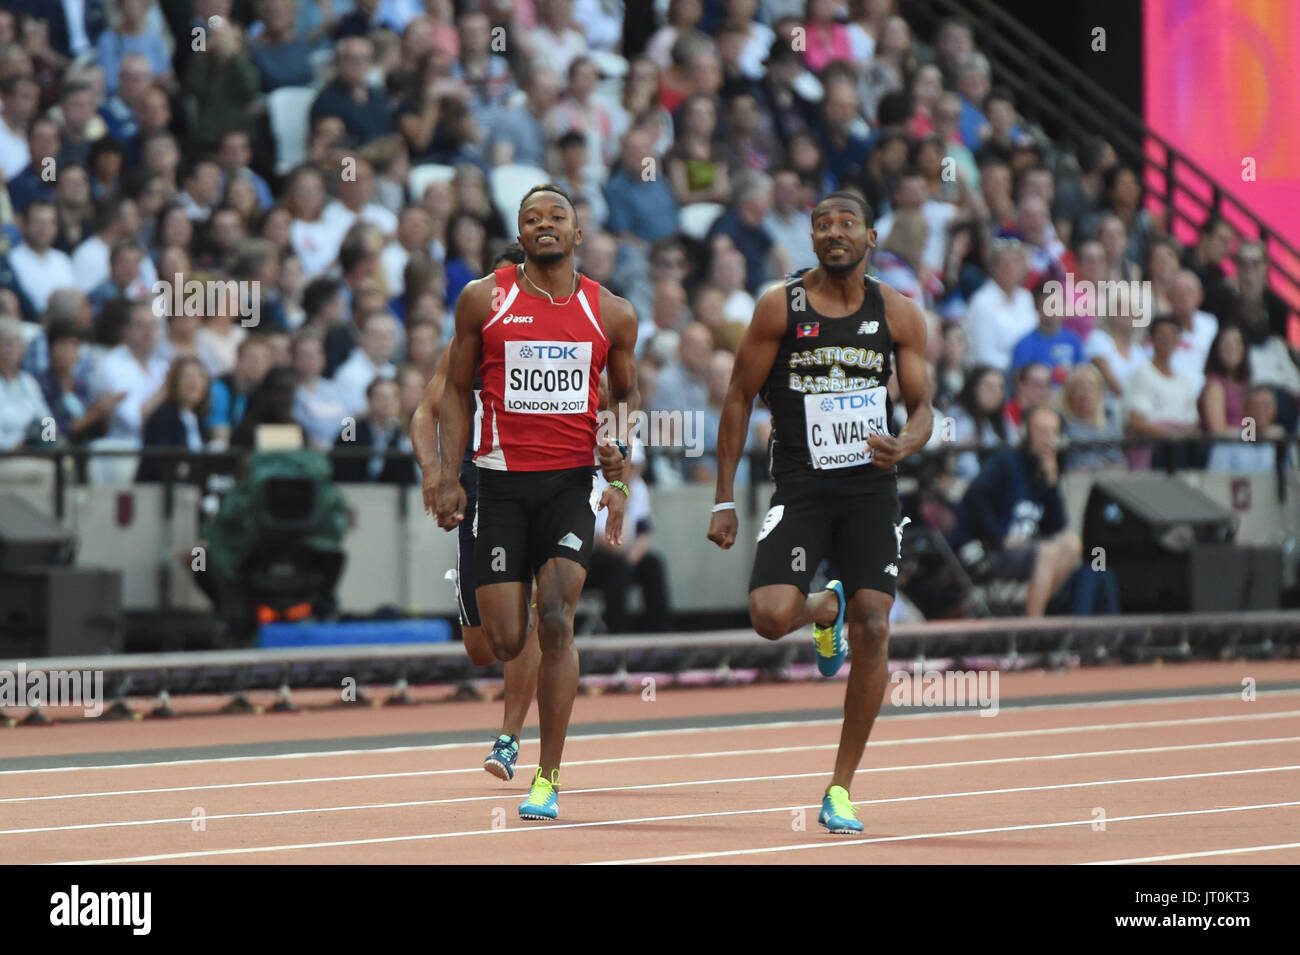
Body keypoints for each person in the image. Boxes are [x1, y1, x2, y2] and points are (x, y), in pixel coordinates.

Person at [707, 191, 932, 834]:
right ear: (811, 239)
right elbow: (738, 398)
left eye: (846, 224)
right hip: (802, 488)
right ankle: (820, 609)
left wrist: (907, 443)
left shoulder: (900, 314)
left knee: (876, 626)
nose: (834, 234)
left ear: (872, 235)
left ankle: (840, 787)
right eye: (822, 225)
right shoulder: (781, 305)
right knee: (770, 616)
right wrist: (724, 498)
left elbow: (921, 408)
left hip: (869, 491)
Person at [434, 187, 638, 820]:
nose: (543, 226)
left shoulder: (611, 312)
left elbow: (625, 399)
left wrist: (618, 467)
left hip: (568, 487)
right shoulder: (483, 299)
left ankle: (547, 775)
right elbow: (455, 391)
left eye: (556, 218)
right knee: (502, 638)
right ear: (519, 234)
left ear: (578, 234)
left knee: (555, 618)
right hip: (498, 487)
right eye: (531, 219)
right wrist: (446, 474)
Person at [957, 404, 1083, 616]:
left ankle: (1031, 611)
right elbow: (974, 496)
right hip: (994, 550)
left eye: (1052, 432)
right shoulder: (1005, 461)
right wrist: (999, 536)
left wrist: (1051, 482)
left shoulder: (1047, 468)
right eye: (1040, 430)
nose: (1046, 438)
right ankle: (1033, 626)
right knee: (1049, 552)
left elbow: (1057, 526)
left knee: (1072, 544)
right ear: (1026, 432)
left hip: (1029, 547)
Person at [137, 355, 212, 483]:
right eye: (187, 377)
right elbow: (159, 466)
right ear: (174, 382)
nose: (194, 382)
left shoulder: (200, 422)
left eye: (200, 377)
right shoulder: (162, 418)